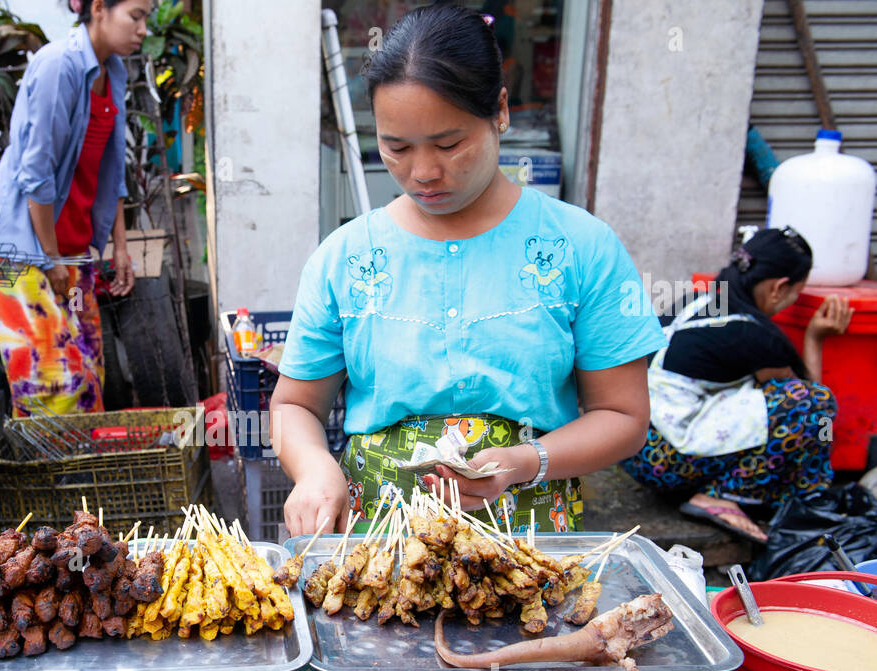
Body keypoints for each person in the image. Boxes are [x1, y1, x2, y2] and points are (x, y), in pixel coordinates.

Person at [271, 3, 665, 537]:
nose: (424, 172)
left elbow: (623, 417)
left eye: (450, 144)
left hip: (531, 548)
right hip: (376, 547)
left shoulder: (582, 248)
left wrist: (526, 461)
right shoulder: (346, 257)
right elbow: (296, 404)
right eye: (396, 147)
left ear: (499, 110)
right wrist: (315, 469)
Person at [621, 227, 849, 543]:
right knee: (819, 405)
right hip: (665, 459)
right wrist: (815, 338)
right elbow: (807, 410)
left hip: (630, 445)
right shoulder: (753, 334)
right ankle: (726, 494)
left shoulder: (699, 301)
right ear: (779, 287)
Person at [0, 0, 144, 417]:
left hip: (72, 248)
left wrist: (119, 246)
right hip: (23, 250)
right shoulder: (59, 66)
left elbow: (110, 169)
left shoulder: (113, 71)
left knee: (87, 376)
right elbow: (36, 173)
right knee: (52, 386)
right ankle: (40, 483)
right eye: (135, 16)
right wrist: (49, 259)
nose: (142, 29)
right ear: (99, 8)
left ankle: (81, 480)